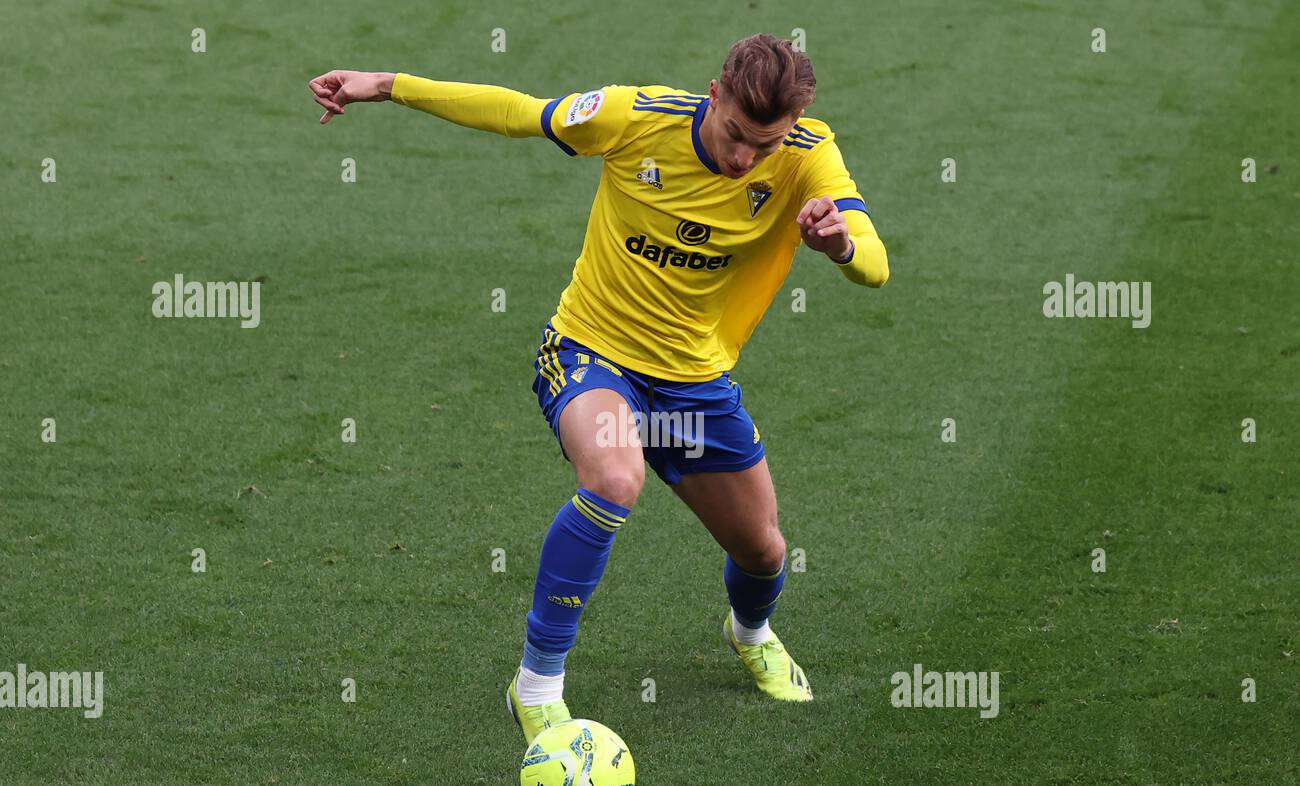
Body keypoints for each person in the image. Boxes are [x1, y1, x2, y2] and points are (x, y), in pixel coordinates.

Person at [309, 33, 889, 745]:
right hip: (592, 355)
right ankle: (538, 683)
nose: (745, 158)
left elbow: (876, 267)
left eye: (763, 145)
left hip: (693, 390)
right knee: (615, 478)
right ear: (715, 94)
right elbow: (518, 111)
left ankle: (751, 632)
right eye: (737, 133)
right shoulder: (634, 117)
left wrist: (840, 245)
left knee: (764, 552)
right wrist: (389, 83)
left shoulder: (807, 154)